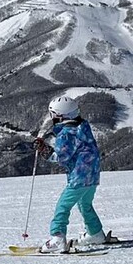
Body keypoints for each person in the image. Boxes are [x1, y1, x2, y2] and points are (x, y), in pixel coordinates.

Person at [34, 93, 107, 253]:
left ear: (60, 116)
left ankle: (57, 238)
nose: (51, 118)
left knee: (63, 206)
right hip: (92, 175)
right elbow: (75, 141)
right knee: (84, 204)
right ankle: (96, 233)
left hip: (79, 178)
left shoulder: (66, 135)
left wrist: (44, 150)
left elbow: (61, 157)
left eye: (53, 115)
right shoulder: (83, 127)